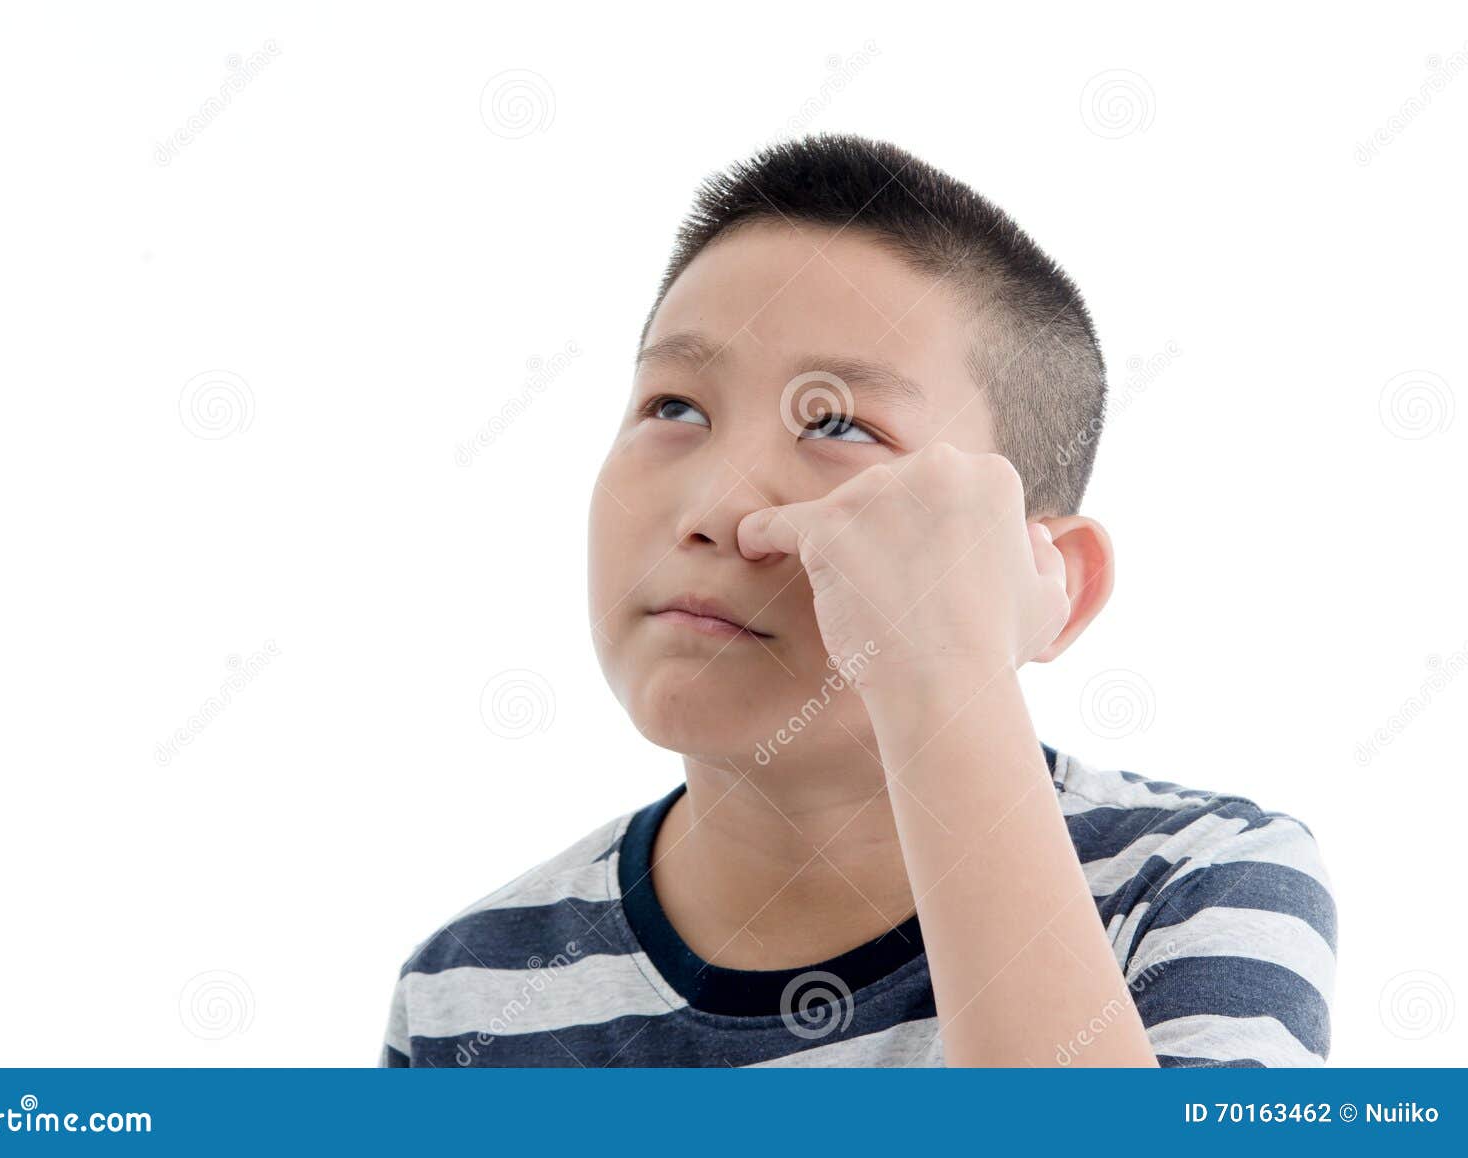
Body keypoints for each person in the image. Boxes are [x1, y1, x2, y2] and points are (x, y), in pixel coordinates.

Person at [380, 132, 1336, 1067]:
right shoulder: (466, 991)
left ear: (1051, 583)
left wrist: (948, 676)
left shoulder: (1194, 885)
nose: (713, 511)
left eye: (838, 425)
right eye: (675, 407)